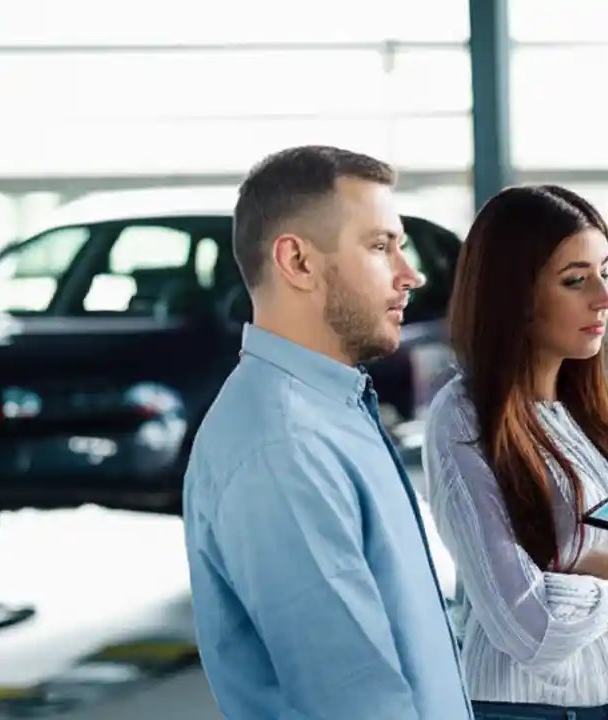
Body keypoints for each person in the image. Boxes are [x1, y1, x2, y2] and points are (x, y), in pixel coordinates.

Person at [181, 145, 472, 719]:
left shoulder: (331, 408)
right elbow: (355, 700)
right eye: (381, 246)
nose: (410, 274)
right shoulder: (285, 447)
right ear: (298, 262)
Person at [421, 185, 608, 720]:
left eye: (606, 273)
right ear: (515, 296)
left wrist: (598, 564)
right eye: (576, 280)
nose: (603, 298)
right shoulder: (464, 418)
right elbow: (529, 625)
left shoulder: (591, 411)